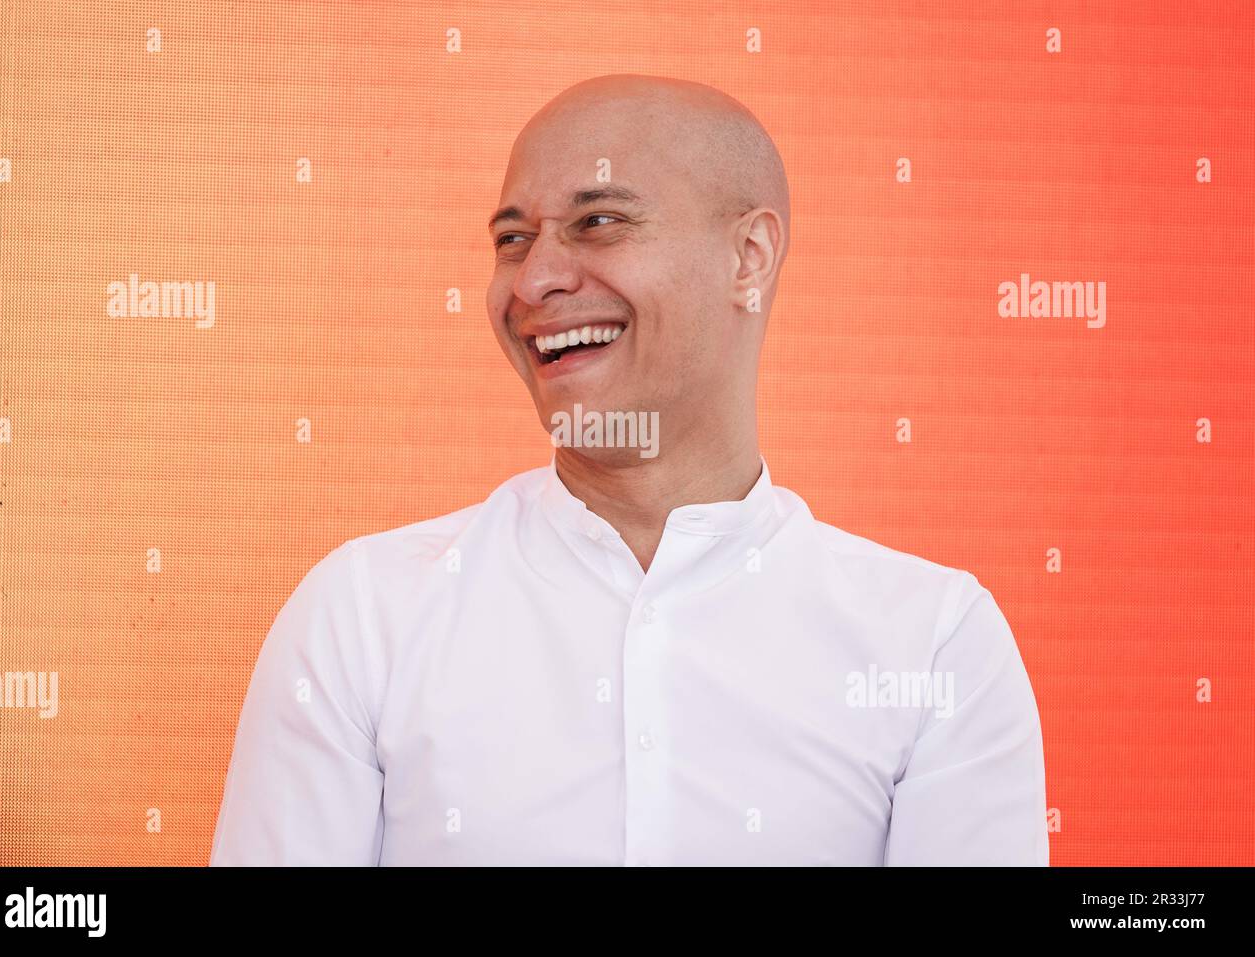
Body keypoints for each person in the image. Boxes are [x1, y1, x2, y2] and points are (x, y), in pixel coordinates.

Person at [210, 73, 1049, 866]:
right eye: (512, 239)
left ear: (748, 258)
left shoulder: (935, 645)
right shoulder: (362, 618)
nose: (534, 280)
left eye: (598, 221)